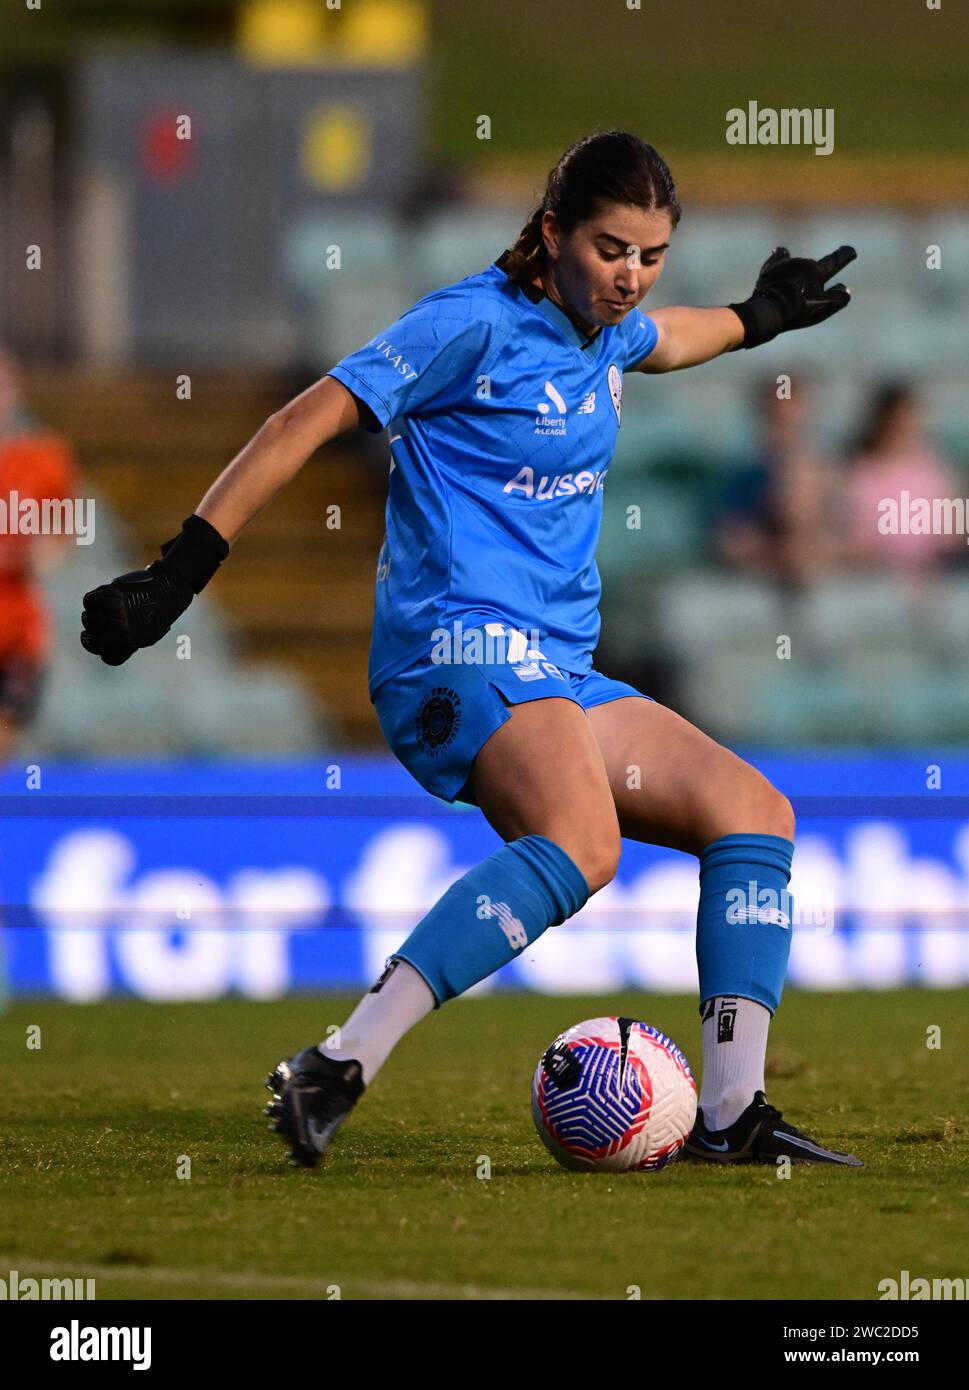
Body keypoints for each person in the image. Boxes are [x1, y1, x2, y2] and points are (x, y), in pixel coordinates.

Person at [80, 130, 862, 1169]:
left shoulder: (606, 336)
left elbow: (671, 336)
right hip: (453, 649)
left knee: (755, 815)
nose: (630, 276)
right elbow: (303, 416)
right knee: (586, 846)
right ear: (552, 233)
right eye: (609, 247)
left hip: (555, 665)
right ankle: (337, 1061)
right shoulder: (471, 325)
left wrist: (760, 316)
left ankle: (731, 1114)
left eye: (650, 253)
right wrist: (179, 572)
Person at [0, 347, 78, 761]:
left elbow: (62, 537)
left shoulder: (45, 459)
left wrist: (40, 551)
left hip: (16, 628)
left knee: (10, 723)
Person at [716, 376, 840, 587]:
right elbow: (729, 541)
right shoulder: (744, 475)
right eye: (775, 420)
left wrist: (810, 550)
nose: (783, 430)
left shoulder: (830, 474)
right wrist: (775, 553)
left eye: (789, 420)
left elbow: (854, 539)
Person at [841, 381, 963, 574]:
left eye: (910, 419)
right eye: (898, 420)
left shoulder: (931, 469)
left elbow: (948, 533)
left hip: (933, 570)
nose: (904, 428)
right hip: (878, 571)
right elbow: (859, 535)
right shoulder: (861, 471)